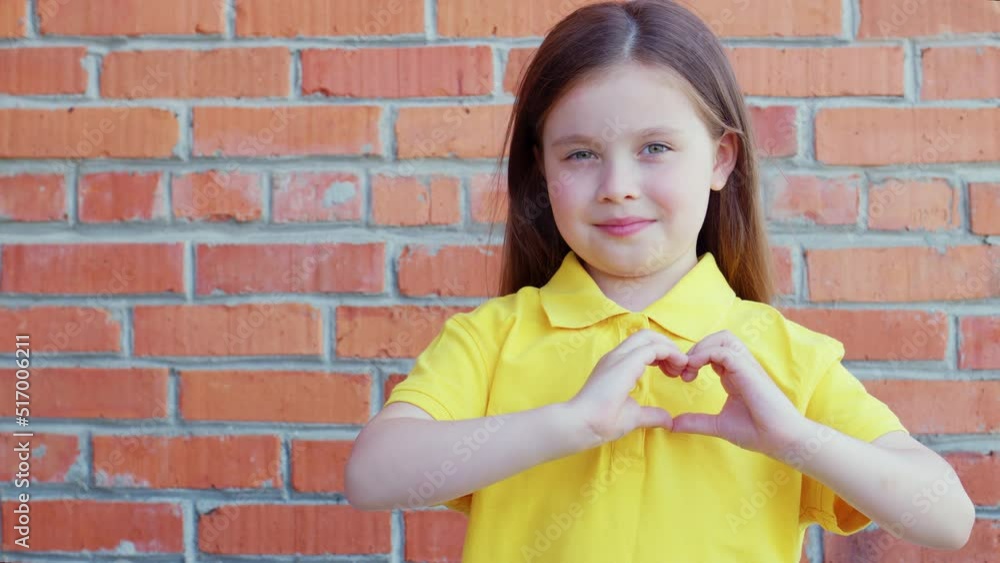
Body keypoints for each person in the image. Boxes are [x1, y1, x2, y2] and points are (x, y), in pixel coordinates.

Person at [345, 1, 976, 560]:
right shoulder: (491, 338)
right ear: (541, 171)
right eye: (581, 154)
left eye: (655, 148)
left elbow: (948, 520)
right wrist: (569, 424)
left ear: (720, 159)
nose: (617, 185)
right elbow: (372, 478)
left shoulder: (785, 359)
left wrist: (796, 439)